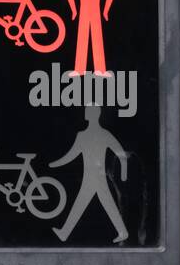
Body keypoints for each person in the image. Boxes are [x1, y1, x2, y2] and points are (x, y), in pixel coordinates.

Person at [49, 103, 129, 243]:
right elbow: (71, 155)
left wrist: (123, 174)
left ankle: (65, 232)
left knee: (91, 204)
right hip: (91, 178)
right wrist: (55, 164)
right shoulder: (85, 135)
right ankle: (122, 232)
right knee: (91, 204)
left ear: (93, 114)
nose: (85, 113)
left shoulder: (100, 135)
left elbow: (121, 154)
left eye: (88, 111)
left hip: (96, 178)